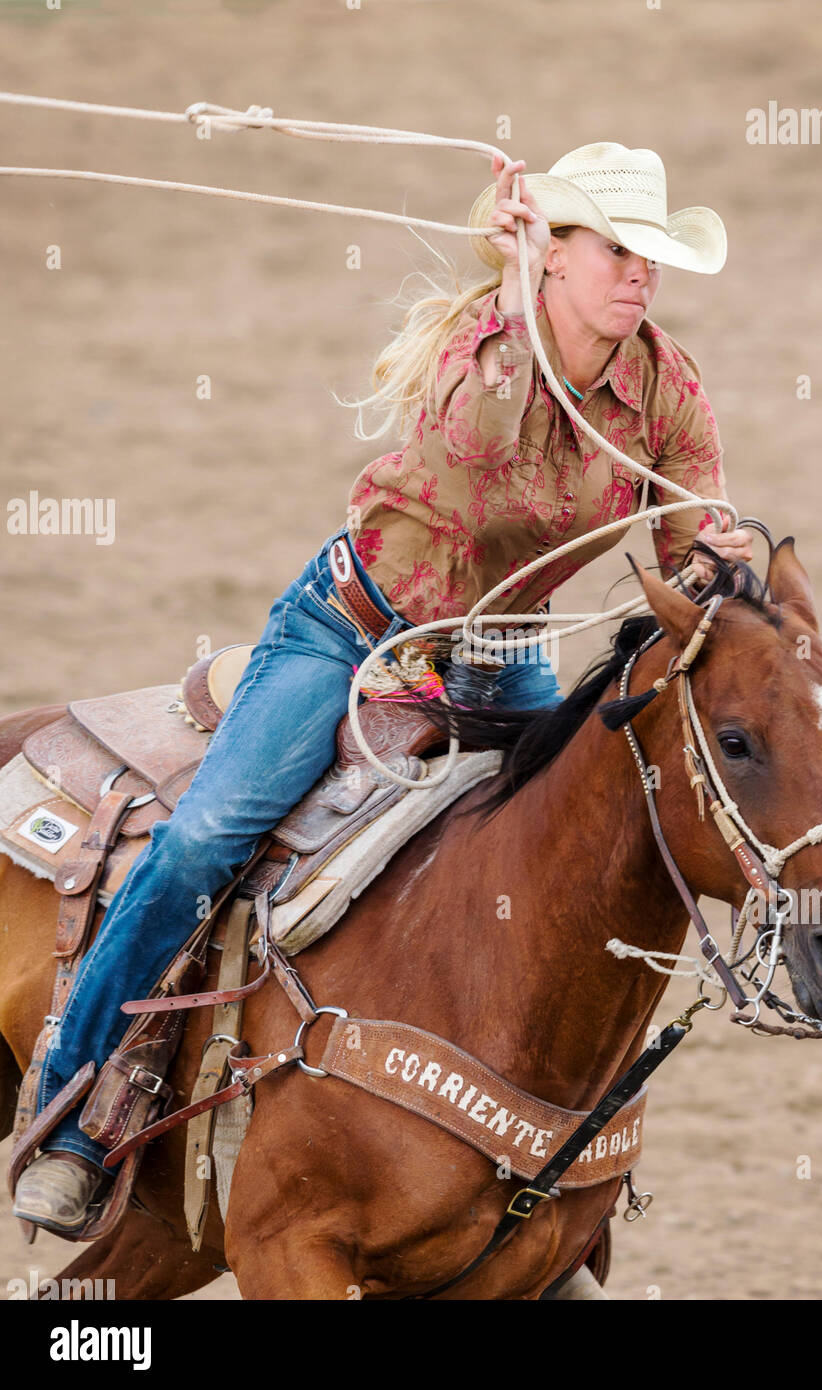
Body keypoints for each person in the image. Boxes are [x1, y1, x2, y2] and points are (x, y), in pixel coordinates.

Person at [13, 141, 753, 1235]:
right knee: (208, 834)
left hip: (500, 645)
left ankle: (530, 1150)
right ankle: (74, 1105)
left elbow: (693, 537)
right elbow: (484, 463)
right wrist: (509, 296)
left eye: (653, 254)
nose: (642, 274)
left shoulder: (665, 384)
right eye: (616, 249)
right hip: (353, 627)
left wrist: (722, 559)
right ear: (554, 257)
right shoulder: (480, 350)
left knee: (570, 854)